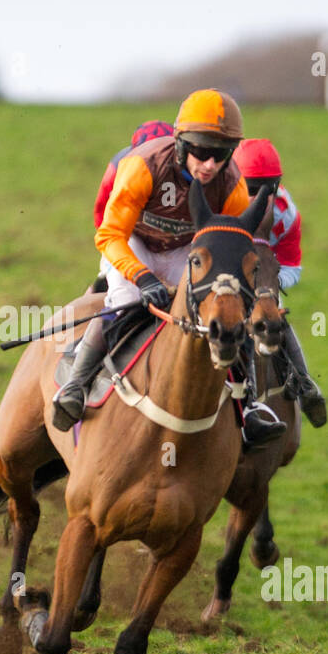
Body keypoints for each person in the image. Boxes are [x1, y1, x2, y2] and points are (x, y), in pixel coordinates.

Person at [52, 88, 286, 449]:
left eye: (220, 154)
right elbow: (110, 234)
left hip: (186, 250)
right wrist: (142, 276)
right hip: (135, 243)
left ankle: (249, 403)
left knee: (221, 312)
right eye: (201, 152)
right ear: (180, 143)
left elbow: (237, 243)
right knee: (126, 299)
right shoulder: (143, 166)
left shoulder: (232, 183)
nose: (209, 164)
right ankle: (76, 386)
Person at [233, 137, 327, 427]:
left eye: (268, 189)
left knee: (273, 316)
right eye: (250, 189)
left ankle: (304, 384)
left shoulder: (285, 214)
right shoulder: (218, 201)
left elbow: (293, 268)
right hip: (223, 273)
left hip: (263, 277)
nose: (259, 199)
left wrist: (268, 287)